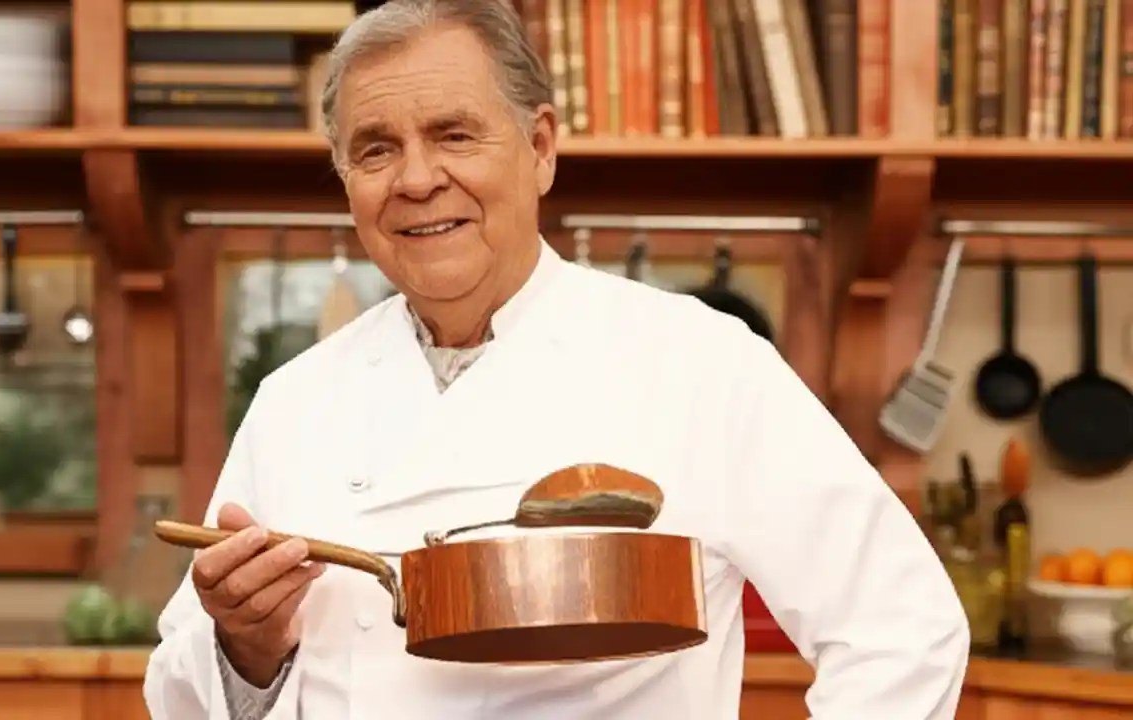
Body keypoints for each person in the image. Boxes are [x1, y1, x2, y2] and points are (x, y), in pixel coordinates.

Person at [143, 0, 971, 717]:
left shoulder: (701, 363)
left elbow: (902, 630)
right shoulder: (295, 400)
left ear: (539, 147)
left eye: (454, 135)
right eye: (375, 150)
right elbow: (179, 693)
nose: (417, 179)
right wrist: (245, 646)